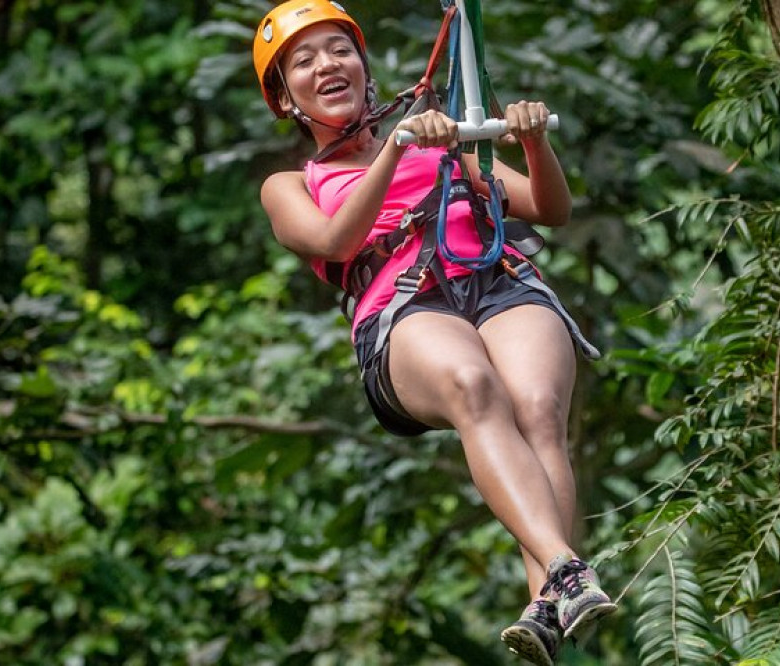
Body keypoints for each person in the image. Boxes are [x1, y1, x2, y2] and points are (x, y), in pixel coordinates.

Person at [252, 2, 616, 663]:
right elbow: (335, 241)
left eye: (340, 50)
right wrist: (396, 148)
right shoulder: (289, 185)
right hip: (404, 308)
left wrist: (533, 142)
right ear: (285, 99)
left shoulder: (442, 147)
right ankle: (565, 567)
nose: (327, 64)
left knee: (538, 408)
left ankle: (546, 605)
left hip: (497, 281)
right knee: (474, 385)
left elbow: (549, 208)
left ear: (364, 67)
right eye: (304, 61)